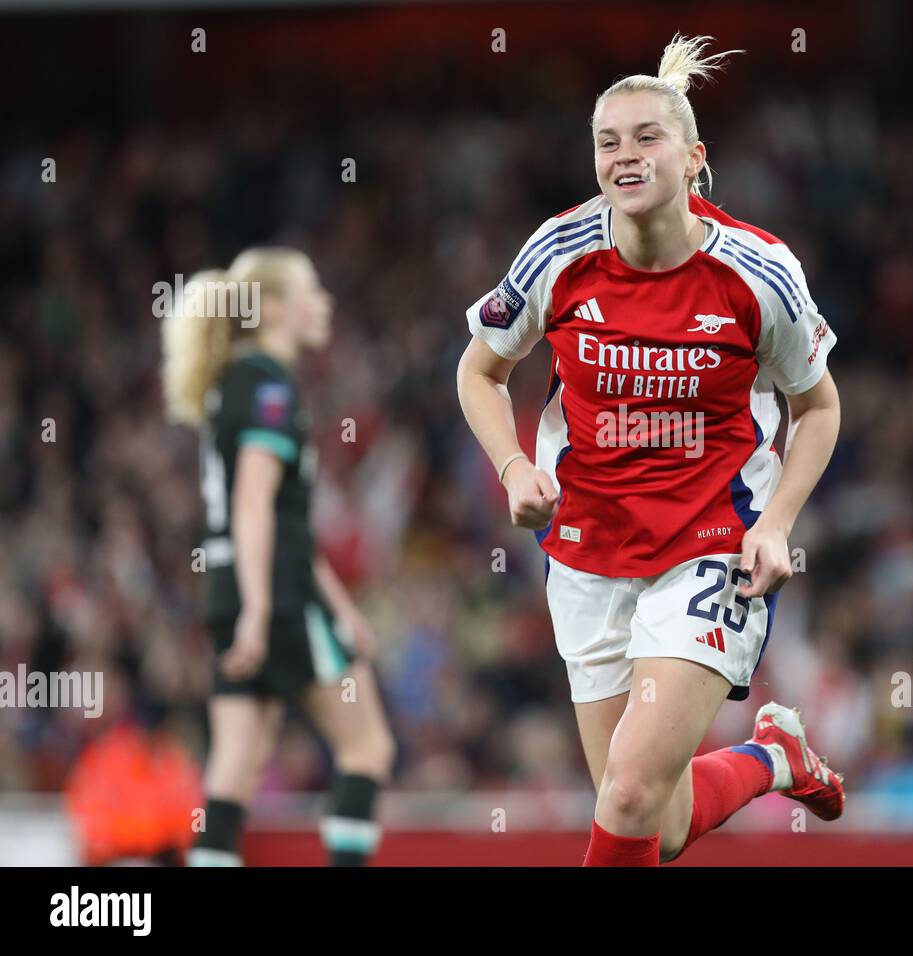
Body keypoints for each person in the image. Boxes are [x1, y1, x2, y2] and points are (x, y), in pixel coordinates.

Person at [457, 35, 844, 866]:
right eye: (608, 142)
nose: (624, 156)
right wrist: (514, 466)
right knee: (653, 824)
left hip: (712, 544)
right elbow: (478, 372)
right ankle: (776, 757)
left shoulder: (758, 270)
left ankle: (773, 751)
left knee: (629, 796)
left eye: (646, 137)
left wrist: (776, 523)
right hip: (588, 551)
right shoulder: (558, 253)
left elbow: (818, 408)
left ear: (693, 157)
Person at [161, 250, 395, 866]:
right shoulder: (267, 383)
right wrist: (263, 612)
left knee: (232, 771)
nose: (325, 302)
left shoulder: (235, 382)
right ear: (269, 308)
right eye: (310, 290)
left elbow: (278, 519)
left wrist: (340, 608)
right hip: (277, 593)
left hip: (233, 586)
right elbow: (254, 504)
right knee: (366, 748)